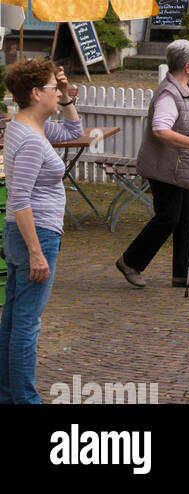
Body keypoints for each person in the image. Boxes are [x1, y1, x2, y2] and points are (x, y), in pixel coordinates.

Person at [0, 58, 83, 404]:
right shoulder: (32, 139)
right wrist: (36, 252)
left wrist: (65, 97)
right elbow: (19, 200)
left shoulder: (26, 126)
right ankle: (25, 399)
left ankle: (7, 395)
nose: (56, 90)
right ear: (36, 93)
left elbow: (73, 133)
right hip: (37, 234)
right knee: (26, 325)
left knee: (12, 320)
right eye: (51, 87)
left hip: (20, 235)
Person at [116, 39, 189, 290]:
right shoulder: (169, 94)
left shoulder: (186, 90)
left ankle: (185, 273)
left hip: (184, 167)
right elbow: (160, 129)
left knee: (188, 217)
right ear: (188, 66)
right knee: (168, 218)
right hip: (166, 169)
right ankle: (129, 261)